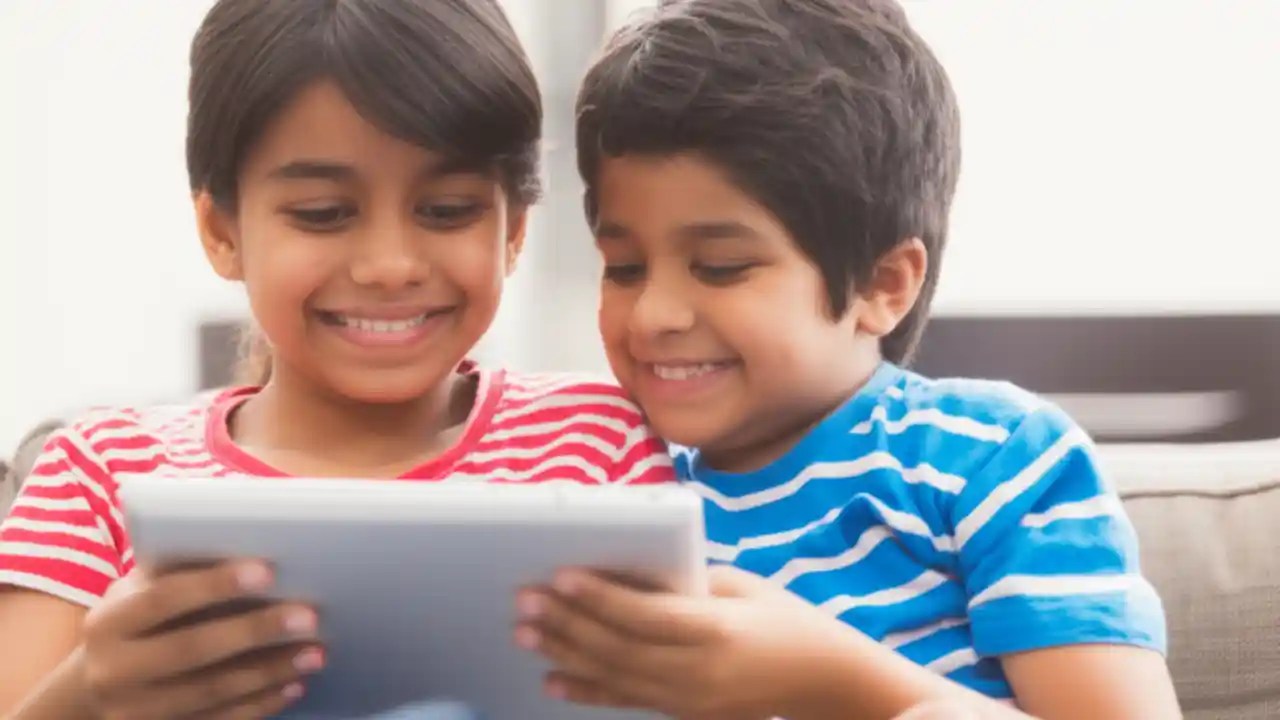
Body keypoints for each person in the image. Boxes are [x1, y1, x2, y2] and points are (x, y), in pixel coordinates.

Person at [0, 1, 672, 717]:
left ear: (515, 228)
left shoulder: (598, 445)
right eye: (323, 213)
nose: (389, 266)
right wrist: (88, 695)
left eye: (446, 210)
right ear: (221, 229)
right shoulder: (99, 476)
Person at [511, 1, 1182, 718]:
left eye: (721, 266)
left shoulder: (990, 460)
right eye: (624, 268)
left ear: (880, 285)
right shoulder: (622, 492)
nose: (653, 316)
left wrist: (831, 678)